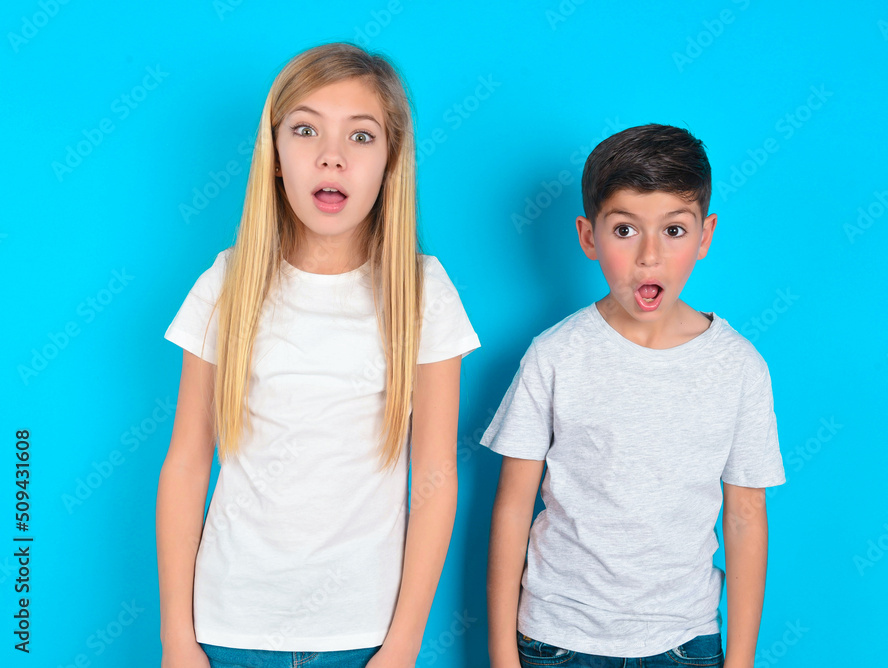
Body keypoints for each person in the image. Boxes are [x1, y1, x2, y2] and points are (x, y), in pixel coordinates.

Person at [155, 42, 480, 668]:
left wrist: (403, 644)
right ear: (275, 157)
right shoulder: (226, 284)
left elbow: (436, 481)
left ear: (390, 162)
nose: (331, 155)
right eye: (305, 130)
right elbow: (188, 462)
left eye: (361, 137)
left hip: (362, 635)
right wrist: (177, 637)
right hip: (228, 627)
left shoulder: (422, 293)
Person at [483, 124, 786, 668]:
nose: (650, 256)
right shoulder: (554, 355)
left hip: (684, 644)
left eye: (673, 230)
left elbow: (745, 517)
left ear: (705, 235)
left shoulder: (740, 367)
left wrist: (740, 661)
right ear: (589, 236)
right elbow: (511, 507)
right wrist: (503, 656)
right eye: (625, 230)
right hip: (558, 640)